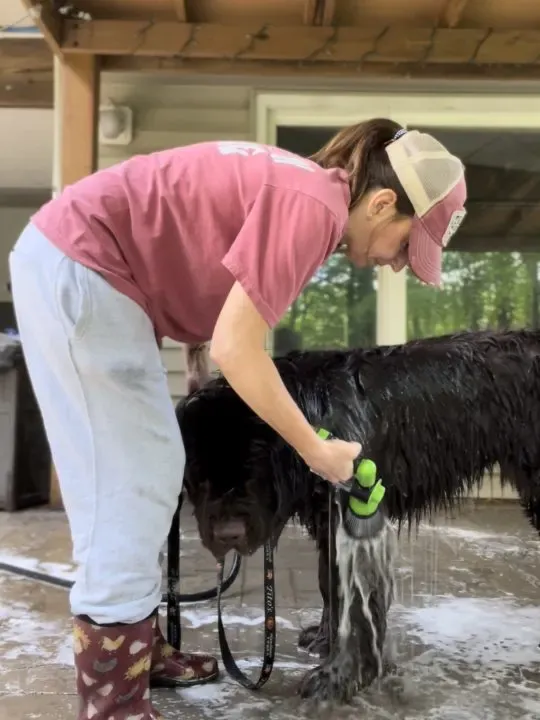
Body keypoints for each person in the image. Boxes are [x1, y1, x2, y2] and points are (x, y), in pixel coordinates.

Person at [8, 118, 466, 719]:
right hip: (83, 265)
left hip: (89, 268)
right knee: (130, 485)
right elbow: (239, 346)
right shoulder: (312, 208)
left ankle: (134, 649)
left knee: (143, 474)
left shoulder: (309, 192)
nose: (402, 264)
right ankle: (114, 700)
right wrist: (314, 450)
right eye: (409, 245)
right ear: (383, 204)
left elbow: (199, 261)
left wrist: (197, 360)